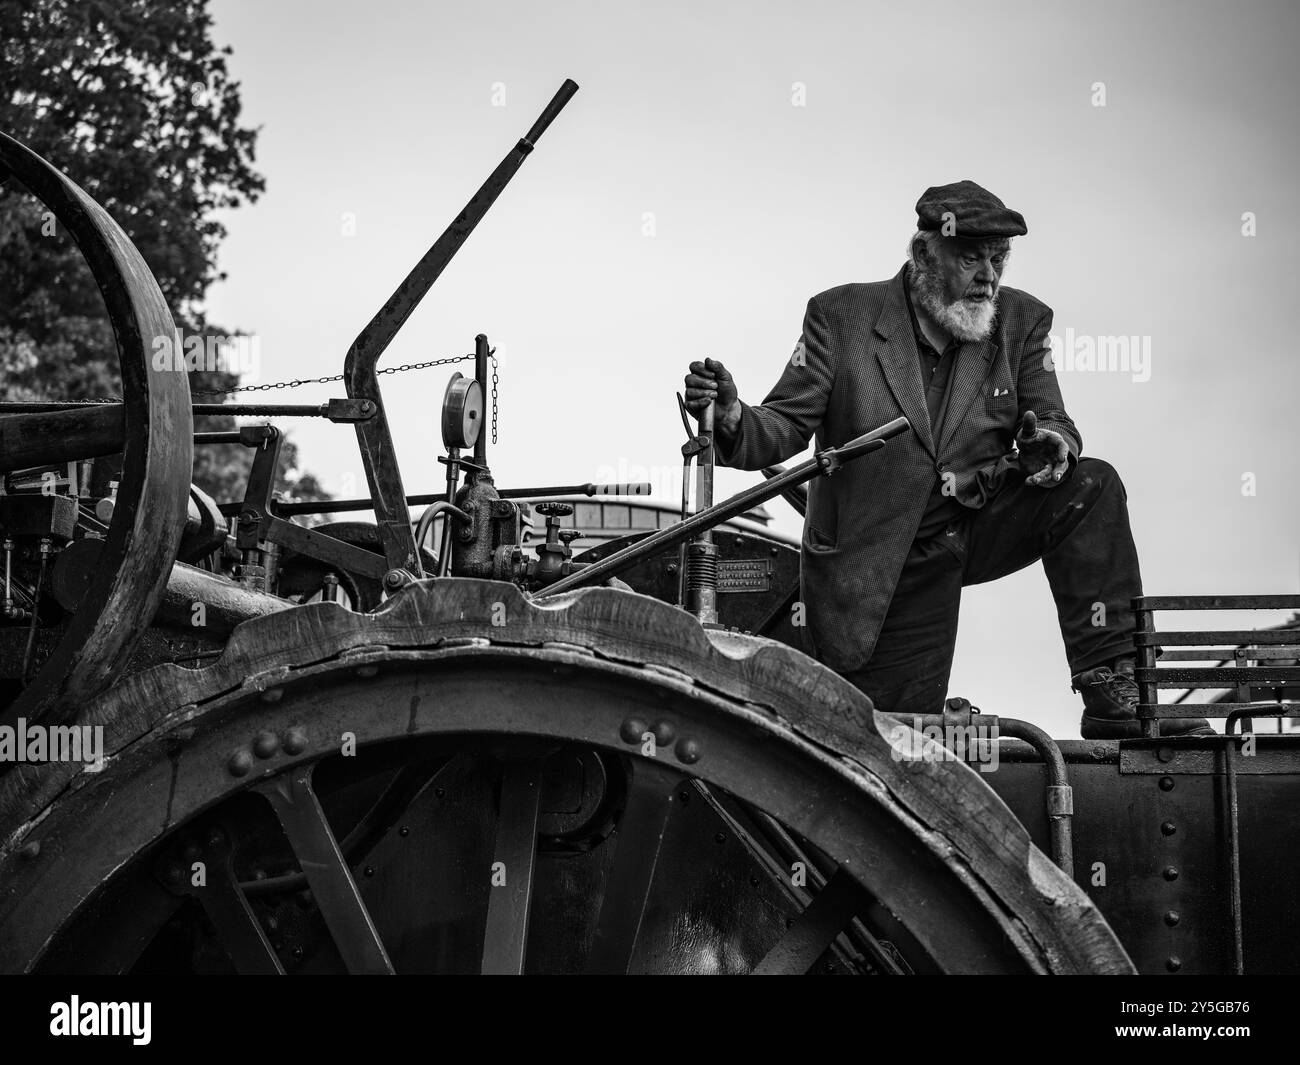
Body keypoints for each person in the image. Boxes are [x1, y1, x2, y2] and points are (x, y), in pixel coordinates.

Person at [683, 180, 1210, 739]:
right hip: (883, 555)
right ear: (925, 255)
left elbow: (1055, 419)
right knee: (890, 746)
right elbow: (785, 424)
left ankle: (1112, 687)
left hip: (977, 519)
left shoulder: (1021, 322)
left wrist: (1053, 441)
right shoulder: (839, 317)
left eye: (998, 259)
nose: (989, 276)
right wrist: (736, 415)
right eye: (971, 258)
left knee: (1091, 484)